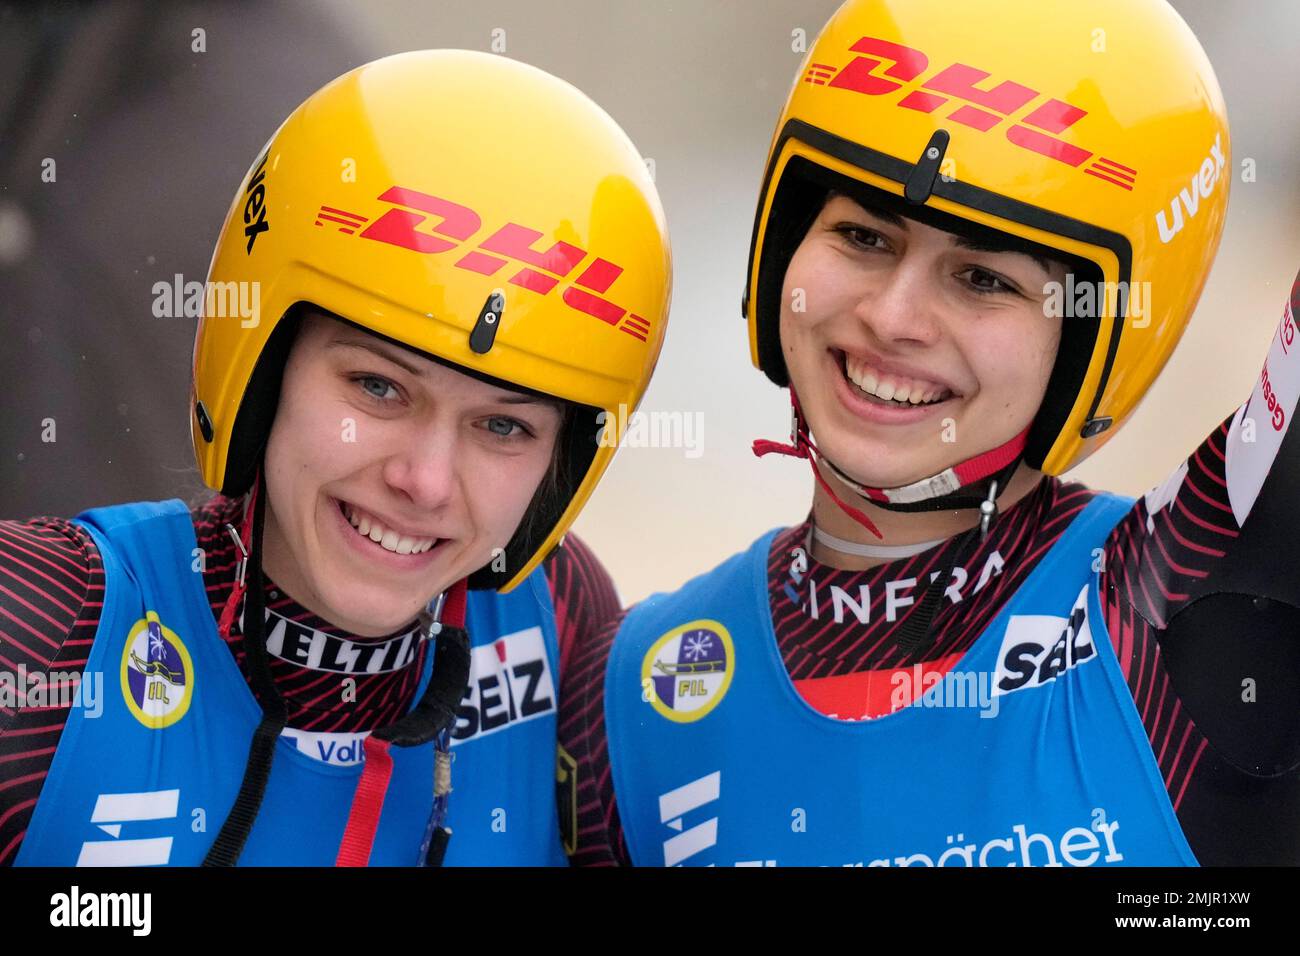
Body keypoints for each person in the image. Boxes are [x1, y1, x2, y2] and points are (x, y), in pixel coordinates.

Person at [559, 0, 1300, 866]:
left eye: (982, 277)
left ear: (1093, 342)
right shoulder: (627, 694)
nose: (892, 315)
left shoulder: (1186, 599)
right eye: (864, 235)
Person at [0, 50, 671, 866]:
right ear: (262, 366)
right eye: (379, 388)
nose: (422, 481)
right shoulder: (42, 628)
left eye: (503, 428)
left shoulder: (557, 621)